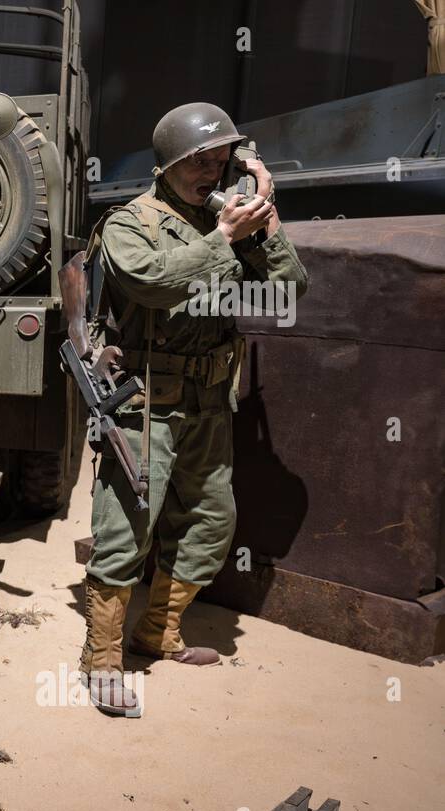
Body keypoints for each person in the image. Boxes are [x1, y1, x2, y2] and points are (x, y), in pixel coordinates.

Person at [79, 102, 309, 716]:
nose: (210, 173)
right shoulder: (131, 223)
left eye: (219, 161)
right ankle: (101, 659)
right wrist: (225, 239)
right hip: (146, 402)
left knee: (209, 522)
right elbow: (151, 281)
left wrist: (266, 224)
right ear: (168, 166)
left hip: (208, 401)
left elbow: (289, 289)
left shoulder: (230, 222)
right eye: (197, 163)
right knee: (126, 528)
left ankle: (159, 632)